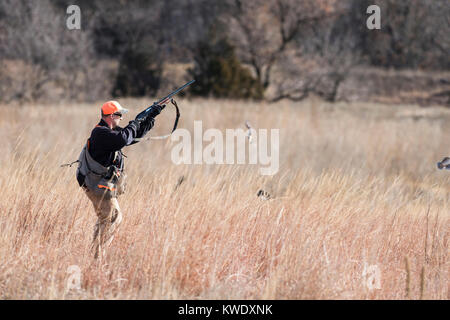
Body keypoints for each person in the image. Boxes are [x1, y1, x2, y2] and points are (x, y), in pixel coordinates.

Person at [77, 100, 164, 259]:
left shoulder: (110, 131)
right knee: (114, 217)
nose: (121, 118)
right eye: (119, 115)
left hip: (98, 183)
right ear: (111, 115)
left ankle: (94, 255)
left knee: (107, 218)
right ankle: (97, 257)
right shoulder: (101, 132)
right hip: (94, 183)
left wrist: (151, 116)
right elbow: (123, 139)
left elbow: (133, 137)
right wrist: (135, 122)